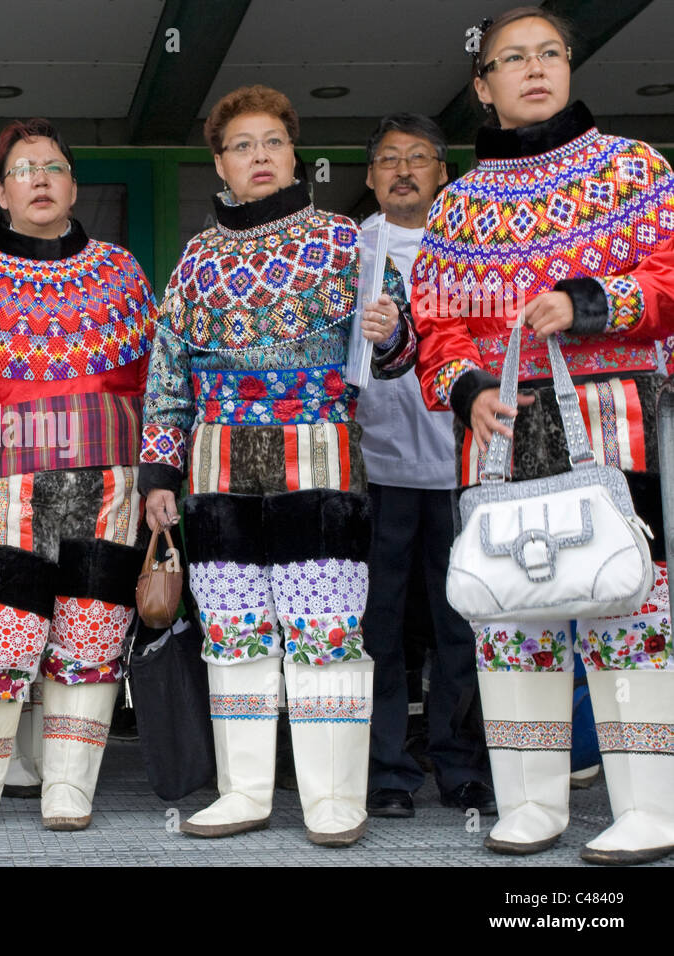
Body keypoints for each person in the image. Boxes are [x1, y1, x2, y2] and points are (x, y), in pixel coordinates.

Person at [413, 7, 674, 863]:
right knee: (509, 617)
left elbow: (669, 275)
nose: (536, 69)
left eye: (551, 54)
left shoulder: (634, 169)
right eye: (512, 60)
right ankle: (531, 802)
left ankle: (649, 806)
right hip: (502, 432)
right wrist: (467, 389)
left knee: (627, 607)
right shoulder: (454, 207)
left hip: (615, 420)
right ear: (483, 87)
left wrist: (590, 301)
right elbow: (435, 326)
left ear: (569, 65)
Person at [141, 85, 416, 846]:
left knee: (326, 629)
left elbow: (395, 358)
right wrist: (158, 475)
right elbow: (169, 373)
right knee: (233, 633)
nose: (257, 157)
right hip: (217, 468)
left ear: (295, 153)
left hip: (320, 460)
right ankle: (244, 791)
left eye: (271, 141)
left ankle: (333, 798)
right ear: (219, 165)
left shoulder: (347, 242)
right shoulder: (196, 258)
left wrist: (391, 333)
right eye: (240, 146)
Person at [0, 117, 156, 832]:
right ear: (1, 191)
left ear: (74, 184)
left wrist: (162, 472)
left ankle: (68, 787)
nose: (41, 179)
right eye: (24, 169)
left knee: (91, 635)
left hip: (109, 485)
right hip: (6, 485)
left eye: (53, 167)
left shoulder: (120, 271)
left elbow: (156, 382)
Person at [356, 113, 495, 819]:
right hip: (376, 469)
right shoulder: (350, 249)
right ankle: (386, 771)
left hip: (467, 465)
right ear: (371, 176)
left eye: (418, 158)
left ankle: (460, 766)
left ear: (444, 171)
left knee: (462, 622)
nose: (403, 169)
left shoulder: (474, 243)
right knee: (377, 627)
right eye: (387, 160)